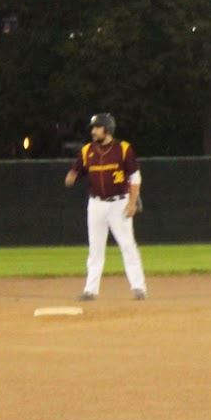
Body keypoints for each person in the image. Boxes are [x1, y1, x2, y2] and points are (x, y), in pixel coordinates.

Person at [64, 112, 148, 301]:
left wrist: (132, 202)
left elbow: (135, 177)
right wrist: (72, 175)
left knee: (127, 245)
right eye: (93, 128)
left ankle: (139, 287)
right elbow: (76, 170)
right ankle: (91, 290)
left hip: (119, 203)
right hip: (96, 204)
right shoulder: (87, 151)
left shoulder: (123, 149)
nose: (93, 131)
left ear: (107, 129)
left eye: (97, 127)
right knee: (95, 248)